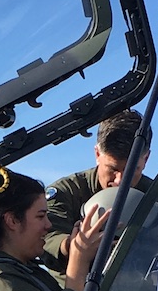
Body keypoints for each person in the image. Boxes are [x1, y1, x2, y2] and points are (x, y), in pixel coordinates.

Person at [0, 170, 99, 291]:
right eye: (40, 216)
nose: (48, 225)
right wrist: (79, 261)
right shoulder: (1, 278)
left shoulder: (28, 270)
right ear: (13, 221)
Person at [42, 110, 151, 266]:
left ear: (146, 159)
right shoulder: (68, 192)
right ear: (97, 154)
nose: (120, 181)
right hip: (73, 288)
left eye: (131, 170)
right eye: (113, 169)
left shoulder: (156, 196)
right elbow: (46, 237)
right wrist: (73, 245)